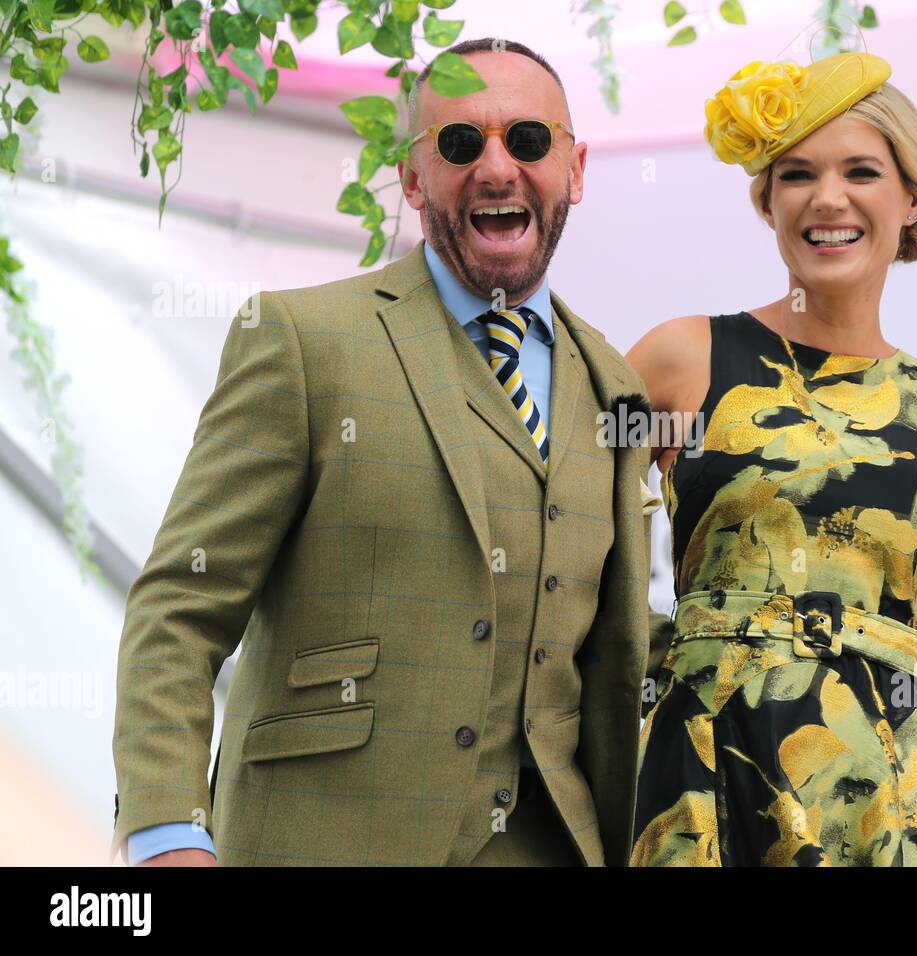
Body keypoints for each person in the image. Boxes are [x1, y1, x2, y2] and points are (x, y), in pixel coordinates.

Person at [111, 37, 654, 867]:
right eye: (461, 144)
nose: (498, 167)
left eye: (529, 140)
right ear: (411, 179)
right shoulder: (302, 340)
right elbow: (180, 610)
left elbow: (617, 647)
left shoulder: (614, 385)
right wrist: (167, 834)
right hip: (322, 841)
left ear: (576, 170)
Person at [627, 51, 917, 866]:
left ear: (913, 198)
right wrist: (679, 658)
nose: (827, 199)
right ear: (767, 201)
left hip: (888, 800)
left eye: (861, 170)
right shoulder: (683, 356)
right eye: (796, 175)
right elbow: (557, 538)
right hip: (705, 782)